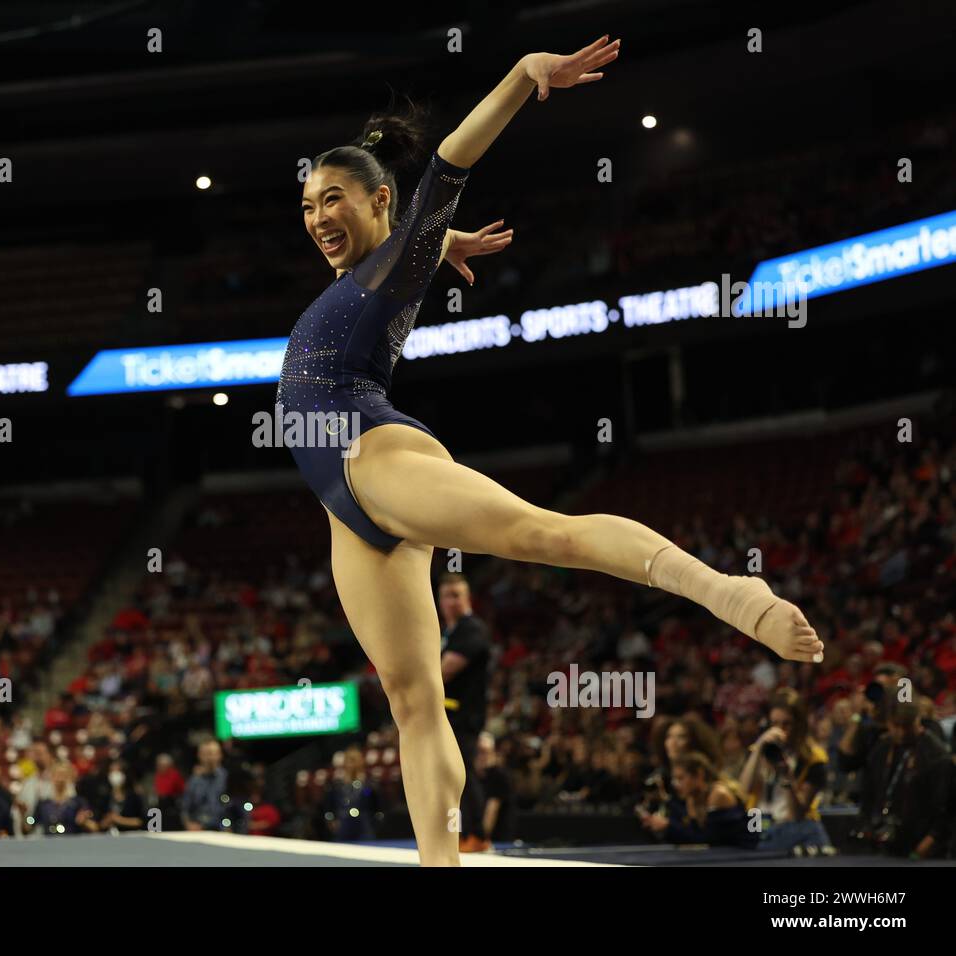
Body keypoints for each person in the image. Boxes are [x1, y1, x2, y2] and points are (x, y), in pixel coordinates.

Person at [276, 36, 822, 866]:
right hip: (343, 509)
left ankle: (725, 591)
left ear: (380, 198)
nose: (318, 217)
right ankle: (441, 862)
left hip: (372, 451)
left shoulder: (400, 245)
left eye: (335, 199)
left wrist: (520, 77)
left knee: (545, 534)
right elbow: (398, 263)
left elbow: (449, 165)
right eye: (309, 204)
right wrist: (433, 251)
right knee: (414, 702)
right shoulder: (384, 265)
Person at [436, 573, 492, 851]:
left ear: (467, 597)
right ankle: (459, 833)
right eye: (447, 596)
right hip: (447, 717)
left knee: (464, 774)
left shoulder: (471, 630)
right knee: (450, 775)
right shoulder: (449, 633)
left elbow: (442, 672)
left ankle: (477, 835)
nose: (452, 602)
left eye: (457, 595)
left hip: (464, 717)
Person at [738, 690, 831, 852]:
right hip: (758, 823)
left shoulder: (813, 758)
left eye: (786, 724)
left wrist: (787, 777)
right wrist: (759, 747)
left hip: (793, 829)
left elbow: (797, 814)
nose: (779, 730)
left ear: (799, 725)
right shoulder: (757, 751)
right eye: (774, 724)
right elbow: (744, 790)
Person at [855, 702, 951, 858]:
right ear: (888, 722)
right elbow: (869, 793)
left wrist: (929, 842)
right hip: (884, 845)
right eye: (896, 726)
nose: (901, 732)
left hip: (921, 847)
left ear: (917, 721)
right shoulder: (882, 749)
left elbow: (946, 807)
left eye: (907, 726)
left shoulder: (935, 755)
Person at [639, 751, 758, 849]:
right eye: (674, 779)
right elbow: (692, 835)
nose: (676, 784)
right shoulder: (692, 798)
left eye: (681, 778)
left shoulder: (718, 795)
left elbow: (706, 839)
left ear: (699, 775)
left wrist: (668, 825)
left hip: (746, 853)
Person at [181, 739, 233, 832]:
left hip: (223, 830)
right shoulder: (194, 781)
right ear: (199, 755)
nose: (211, 758)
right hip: (200, 830)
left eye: (214, 753)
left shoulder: (228, 779)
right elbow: (185, 807)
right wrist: (188, 824)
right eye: (207, 753)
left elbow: (235, 808)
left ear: (220, 755)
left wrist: (230, 826)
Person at [32, 760, 96, 835]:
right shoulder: (43, 804)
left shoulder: (78, 802)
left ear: (70, 778)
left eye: (64, 775)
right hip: (48, 844)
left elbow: (95, 827)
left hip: (71, 843)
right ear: (52, 777)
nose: (61, 779)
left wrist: (85, 822)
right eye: (58, 774)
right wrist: (23, 816)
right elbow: (28, 828)